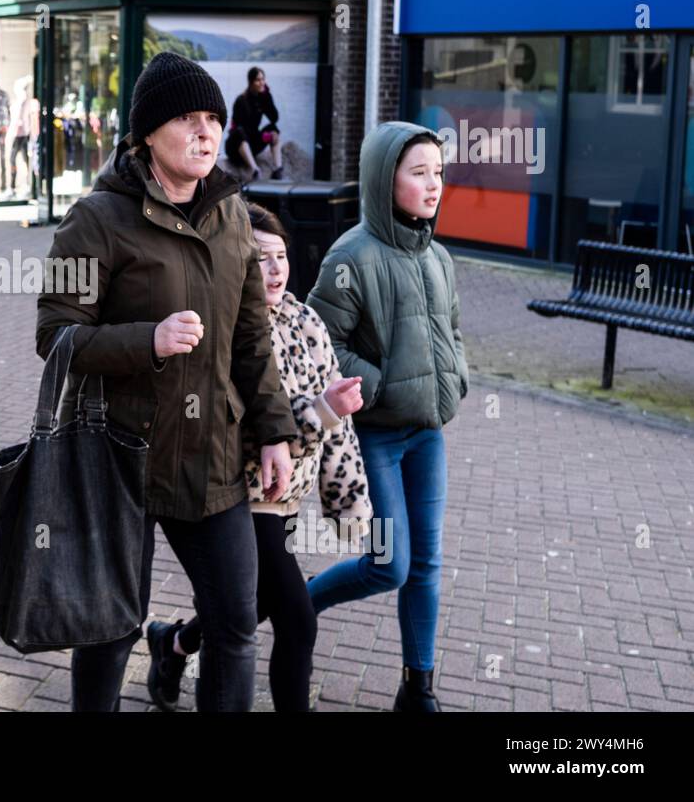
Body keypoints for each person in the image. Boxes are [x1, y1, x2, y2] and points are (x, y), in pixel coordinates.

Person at [36, 51, 299, 713]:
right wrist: (146, 341)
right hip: (120, 456)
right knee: (111, 624)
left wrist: (273, 432)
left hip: (210, 454)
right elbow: (55, 335)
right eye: (189, 118)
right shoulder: (96, 218)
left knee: (236, 624)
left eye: (213, 117)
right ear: (148, 132)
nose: (207, 131)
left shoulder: (234, 214)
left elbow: (251, 339)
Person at [145, 203, 373, 712]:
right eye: (260, 257)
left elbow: (339, 429)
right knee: (296, 617)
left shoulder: (305, 319)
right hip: (242, 494)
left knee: (249, 607)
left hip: (288, 496)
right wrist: (321, 411)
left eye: (282, 256)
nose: (275, 269)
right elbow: (235, 421)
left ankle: (173, 643)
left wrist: (347, 502)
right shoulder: (224, 326)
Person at [302, 121, 469, 711]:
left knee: (426, 562)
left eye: (439, 173)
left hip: (427, 434)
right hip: (374, 434)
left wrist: (459, 376)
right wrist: (376, 385)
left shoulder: (439, 257)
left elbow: (450, 329)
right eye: (418, 173)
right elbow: (319, 340)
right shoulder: (350, 256)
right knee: (390, 564)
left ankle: (416, 687)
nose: (433, 186)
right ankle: (300, 603)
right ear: (383, 178)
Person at [224, 67, 283, 182]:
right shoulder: (241, 100)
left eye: (263, 79)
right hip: (236, 146)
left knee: (274, 129)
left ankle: (278, 169)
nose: (262, 83)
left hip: (251, 144)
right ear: (251, 82)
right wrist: (264, 137)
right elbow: (240, 129)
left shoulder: (263, 98)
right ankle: (255, 169)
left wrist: (268, 97)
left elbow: (274, 118)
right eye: (258, 80)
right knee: (240, 131)